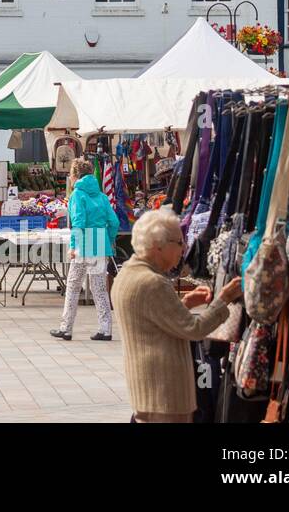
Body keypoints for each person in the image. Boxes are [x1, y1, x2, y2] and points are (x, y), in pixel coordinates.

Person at [111, 207, 243, 423]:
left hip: (149, 390)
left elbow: (155, 320)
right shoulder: (152, 283)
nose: (184, 249)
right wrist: (224, 299)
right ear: (158, 246)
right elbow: (193, 329)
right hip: (164, 393)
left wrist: (184, 304)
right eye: (179, 243)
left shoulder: (127, 274)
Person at [51, 160, 120, 341]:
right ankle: (106, 329)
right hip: (99, 241)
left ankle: (66, 327)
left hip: (84, 242)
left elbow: (78, 223)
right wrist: (109, 240)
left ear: (75, 175)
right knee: (99, 288)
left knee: (73, 286)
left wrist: (74, 246)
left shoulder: (77, 195)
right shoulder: (102, 196)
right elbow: (114, 222)